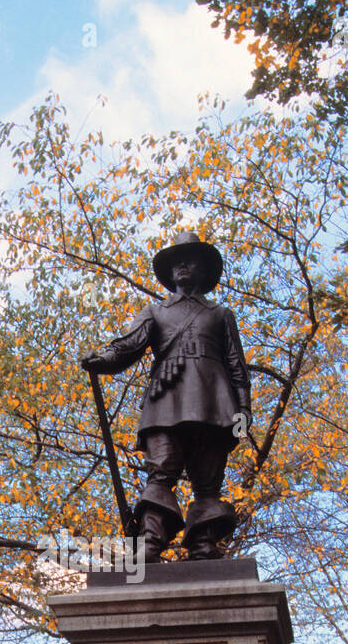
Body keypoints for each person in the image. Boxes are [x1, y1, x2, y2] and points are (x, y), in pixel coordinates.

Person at [81, 231, 251, 561]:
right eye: (176, 261)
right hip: (166, 401)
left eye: (190, 260)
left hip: (214, 404)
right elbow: (127, 347)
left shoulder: (220, 314)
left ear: (203, 269)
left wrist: (243, 408)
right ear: (170, 272)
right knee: (160, 469)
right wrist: (102, 361)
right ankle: (151, 539)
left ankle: (203, 541)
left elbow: (236, 365)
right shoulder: (155, 312)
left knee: (208, 480)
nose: (182, 265)